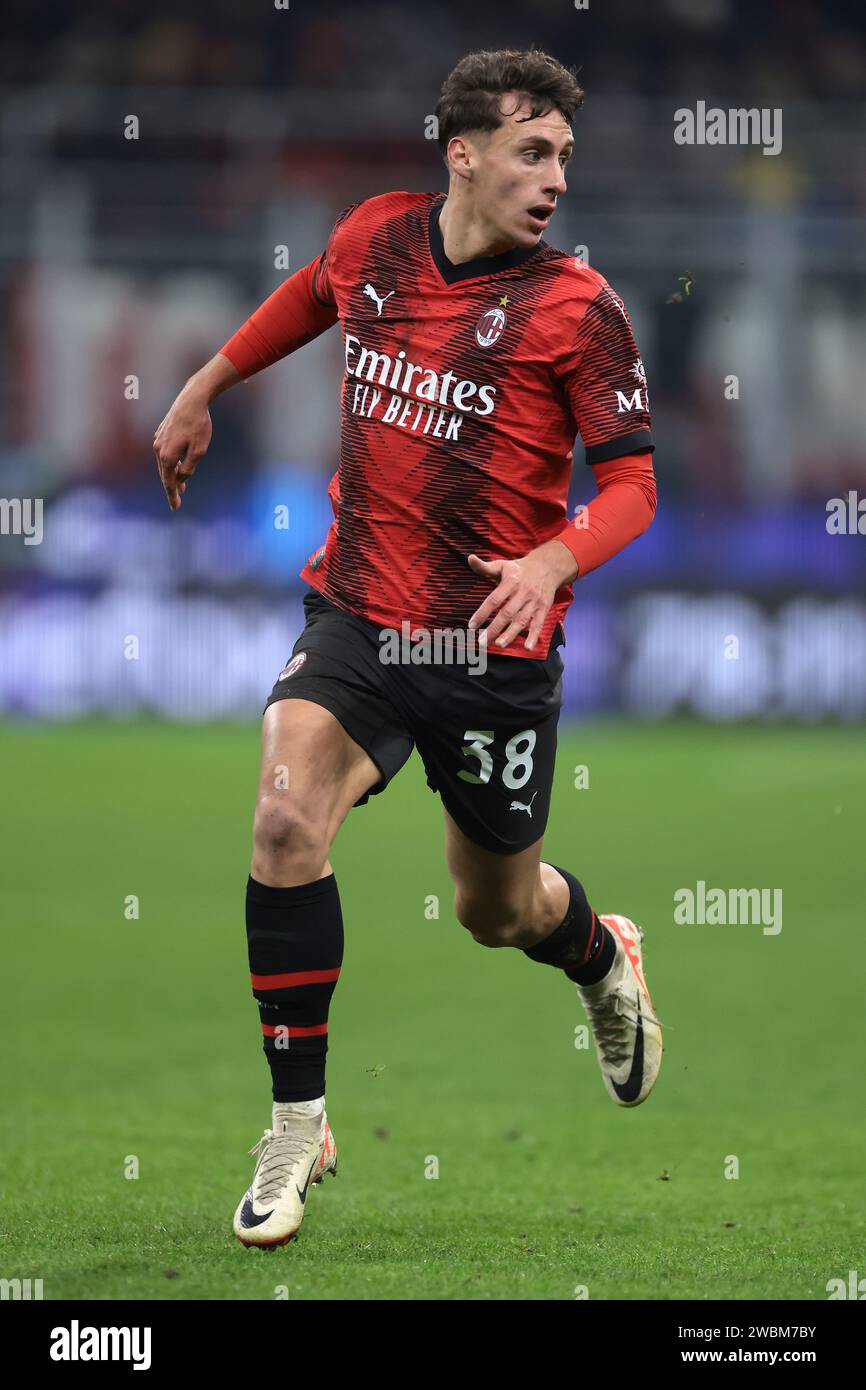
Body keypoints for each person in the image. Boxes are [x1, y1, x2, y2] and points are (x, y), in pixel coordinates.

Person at [153, 47, 663, 1249]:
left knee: (496, 910)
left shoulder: (578, 309)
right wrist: (205, 383)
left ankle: (601, 952)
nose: (554, 179)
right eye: (531, 153)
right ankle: (297, 1123)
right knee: (284, 821)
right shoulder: (374, 239)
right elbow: (308, 297)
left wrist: (553, 560)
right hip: (360, 617)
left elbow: (634, 489)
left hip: (490, 645)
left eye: (563, 157)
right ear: (463, 155)